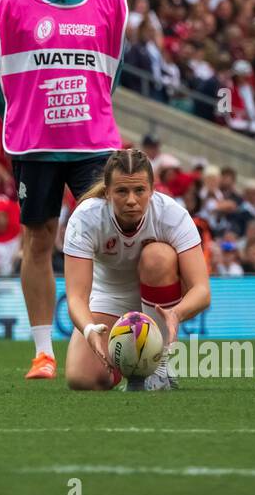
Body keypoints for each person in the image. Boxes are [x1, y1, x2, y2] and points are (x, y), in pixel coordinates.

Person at [0, 0, 128, 380]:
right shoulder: (9, 2)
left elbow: (112, 73)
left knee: (112, 240)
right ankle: (43, 352)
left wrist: (91, 111)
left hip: (93, 142)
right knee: (39, 239)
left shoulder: (110, 0)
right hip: (35, 145)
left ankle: (116, 343)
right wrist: (24, 121)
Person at [62, 147, 211, 391]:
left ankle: (159, 366)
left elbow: (202, 290)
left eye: (139, 190)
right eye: (122, 191)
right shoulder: (85, 218)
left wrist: (176, 314)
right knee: (82, 379)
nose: (131, 200)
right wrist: (89, 330)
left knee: (157, 256)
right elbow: (77, 297)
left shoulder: (172, 214)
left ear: (152, 190)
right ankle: (130, 370)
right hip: (109, 297)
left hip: (161, 298)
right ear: (107, 192)